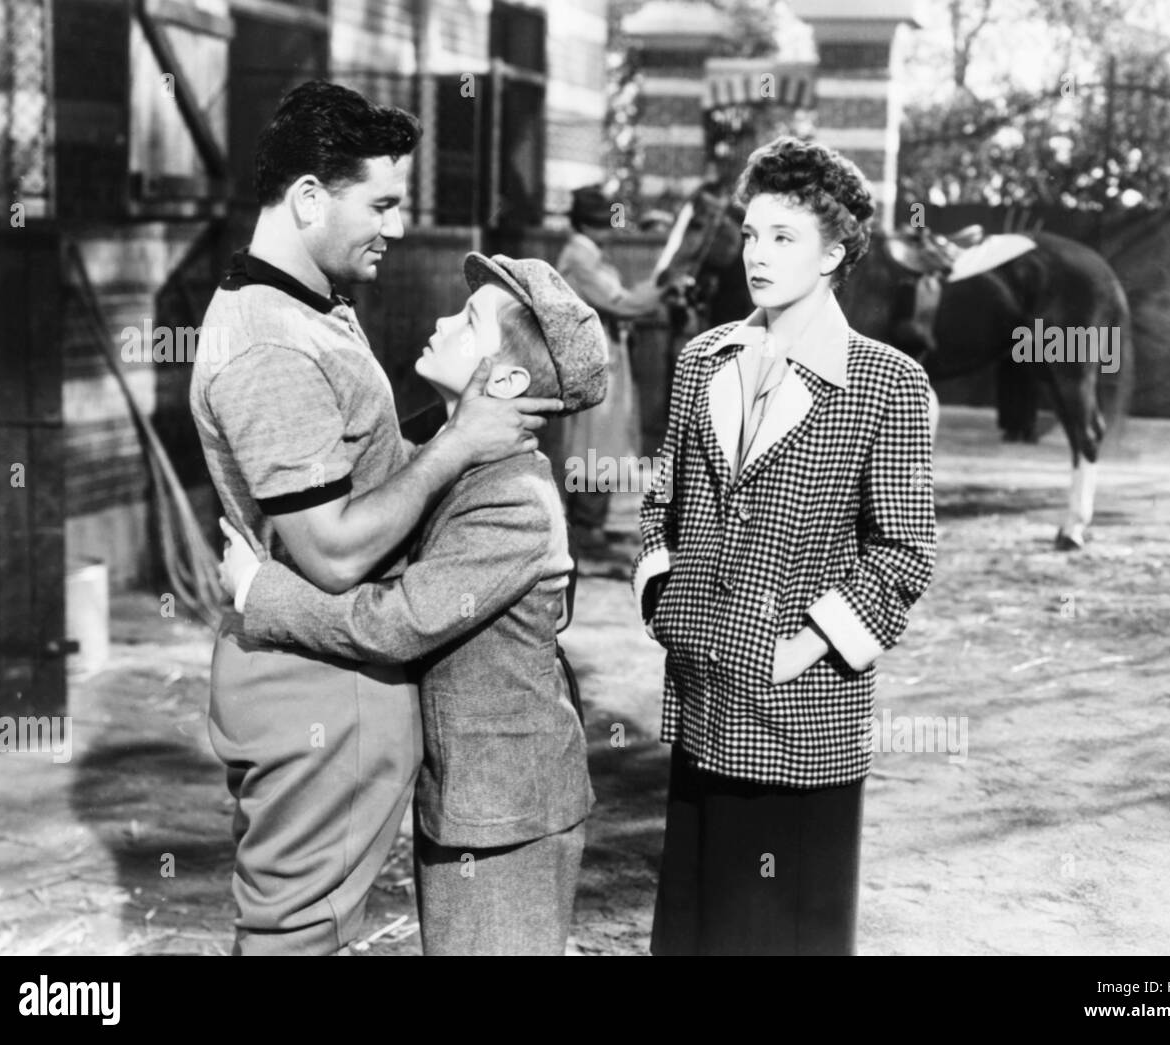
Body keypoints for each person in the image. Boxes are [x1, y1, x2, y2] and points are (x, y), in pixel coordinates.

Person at [188, 82, 561, 956]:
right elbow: (335, 552)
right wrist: (461, 441)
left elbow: (363, 470)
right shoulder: (275, 341)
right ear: (310, 197)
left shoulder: (307, 304)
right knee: (294, 939)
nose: (395, 227)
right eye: (382, 203)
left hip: (327, 684)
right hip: (321, 687)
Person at [216, 254, 607, 956]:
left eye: (468, 321)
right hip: (469, 798)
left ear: (508, 380)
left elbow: (394, 623)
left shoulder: (513, 501)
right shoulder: (454, 459)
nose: (440, 321)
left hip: (508, 808)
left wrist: (258, 590)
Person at [633, 137, 937, 956]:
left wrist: (797, 649)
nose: (757, 256)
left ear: (835, 252)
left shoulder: (888, 382)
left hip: (802, 718)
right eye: (750, 234)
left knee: (779, 936)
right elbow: (661, 500)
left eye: (784, 237)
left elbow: (904, 553)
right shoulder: (704, 358)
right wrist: (666, 607)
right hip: (702, 700)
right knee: (697, 934)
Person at [546, 185, 664, 556]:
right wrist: (660, 289)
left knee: (606, 441)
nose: (609, 229)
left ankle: (594, 524)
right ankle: (584, 528)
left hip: (608, 356)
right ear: (585, 224)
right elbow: (620, 302)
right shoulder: (580, 257)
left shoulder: (593, 254)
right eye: (602, 223)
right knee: (593, 442)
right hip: (592, 362)